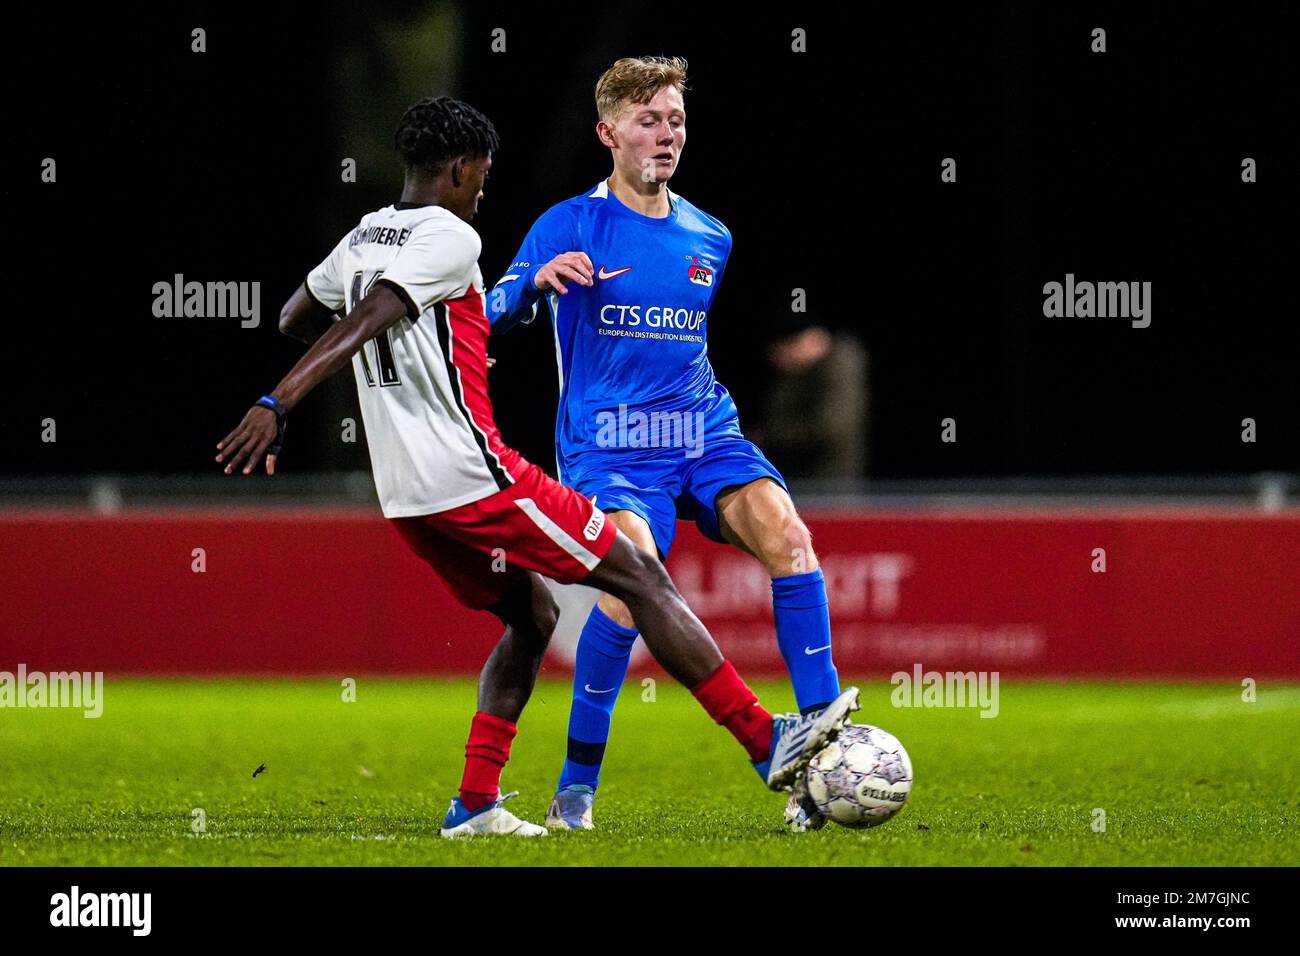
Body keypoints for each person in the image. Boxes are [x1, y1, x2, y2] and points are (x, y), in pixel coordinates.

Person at [215, 95, 858, 838]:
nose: (484, 188)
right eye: (481, 174)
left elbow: (298, 315)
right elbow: (371, 319)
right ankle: (764, 741)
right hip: (476, 471)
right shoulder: (452, 237)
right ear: (458, 167)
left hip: (407, 492)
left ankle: (476, 804)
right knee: (640, 578)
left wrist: (384, 370)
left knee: (532, 615)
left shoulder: (365, 235)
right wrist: (278, 402)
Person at [488, 57, 844, 832]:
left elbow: (685, 345)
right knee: (629, 584)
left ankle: (823, 752)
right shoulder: (568, 224)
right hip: (609, 448)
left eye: (676, 120)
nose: (666, 134)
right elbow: (487, 310)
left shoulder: (709, 234)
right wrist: (535, 283)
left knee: (791, 536)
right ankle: (577, 787)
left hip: (702, 431)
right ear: (607, 132)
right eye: (649, 120)